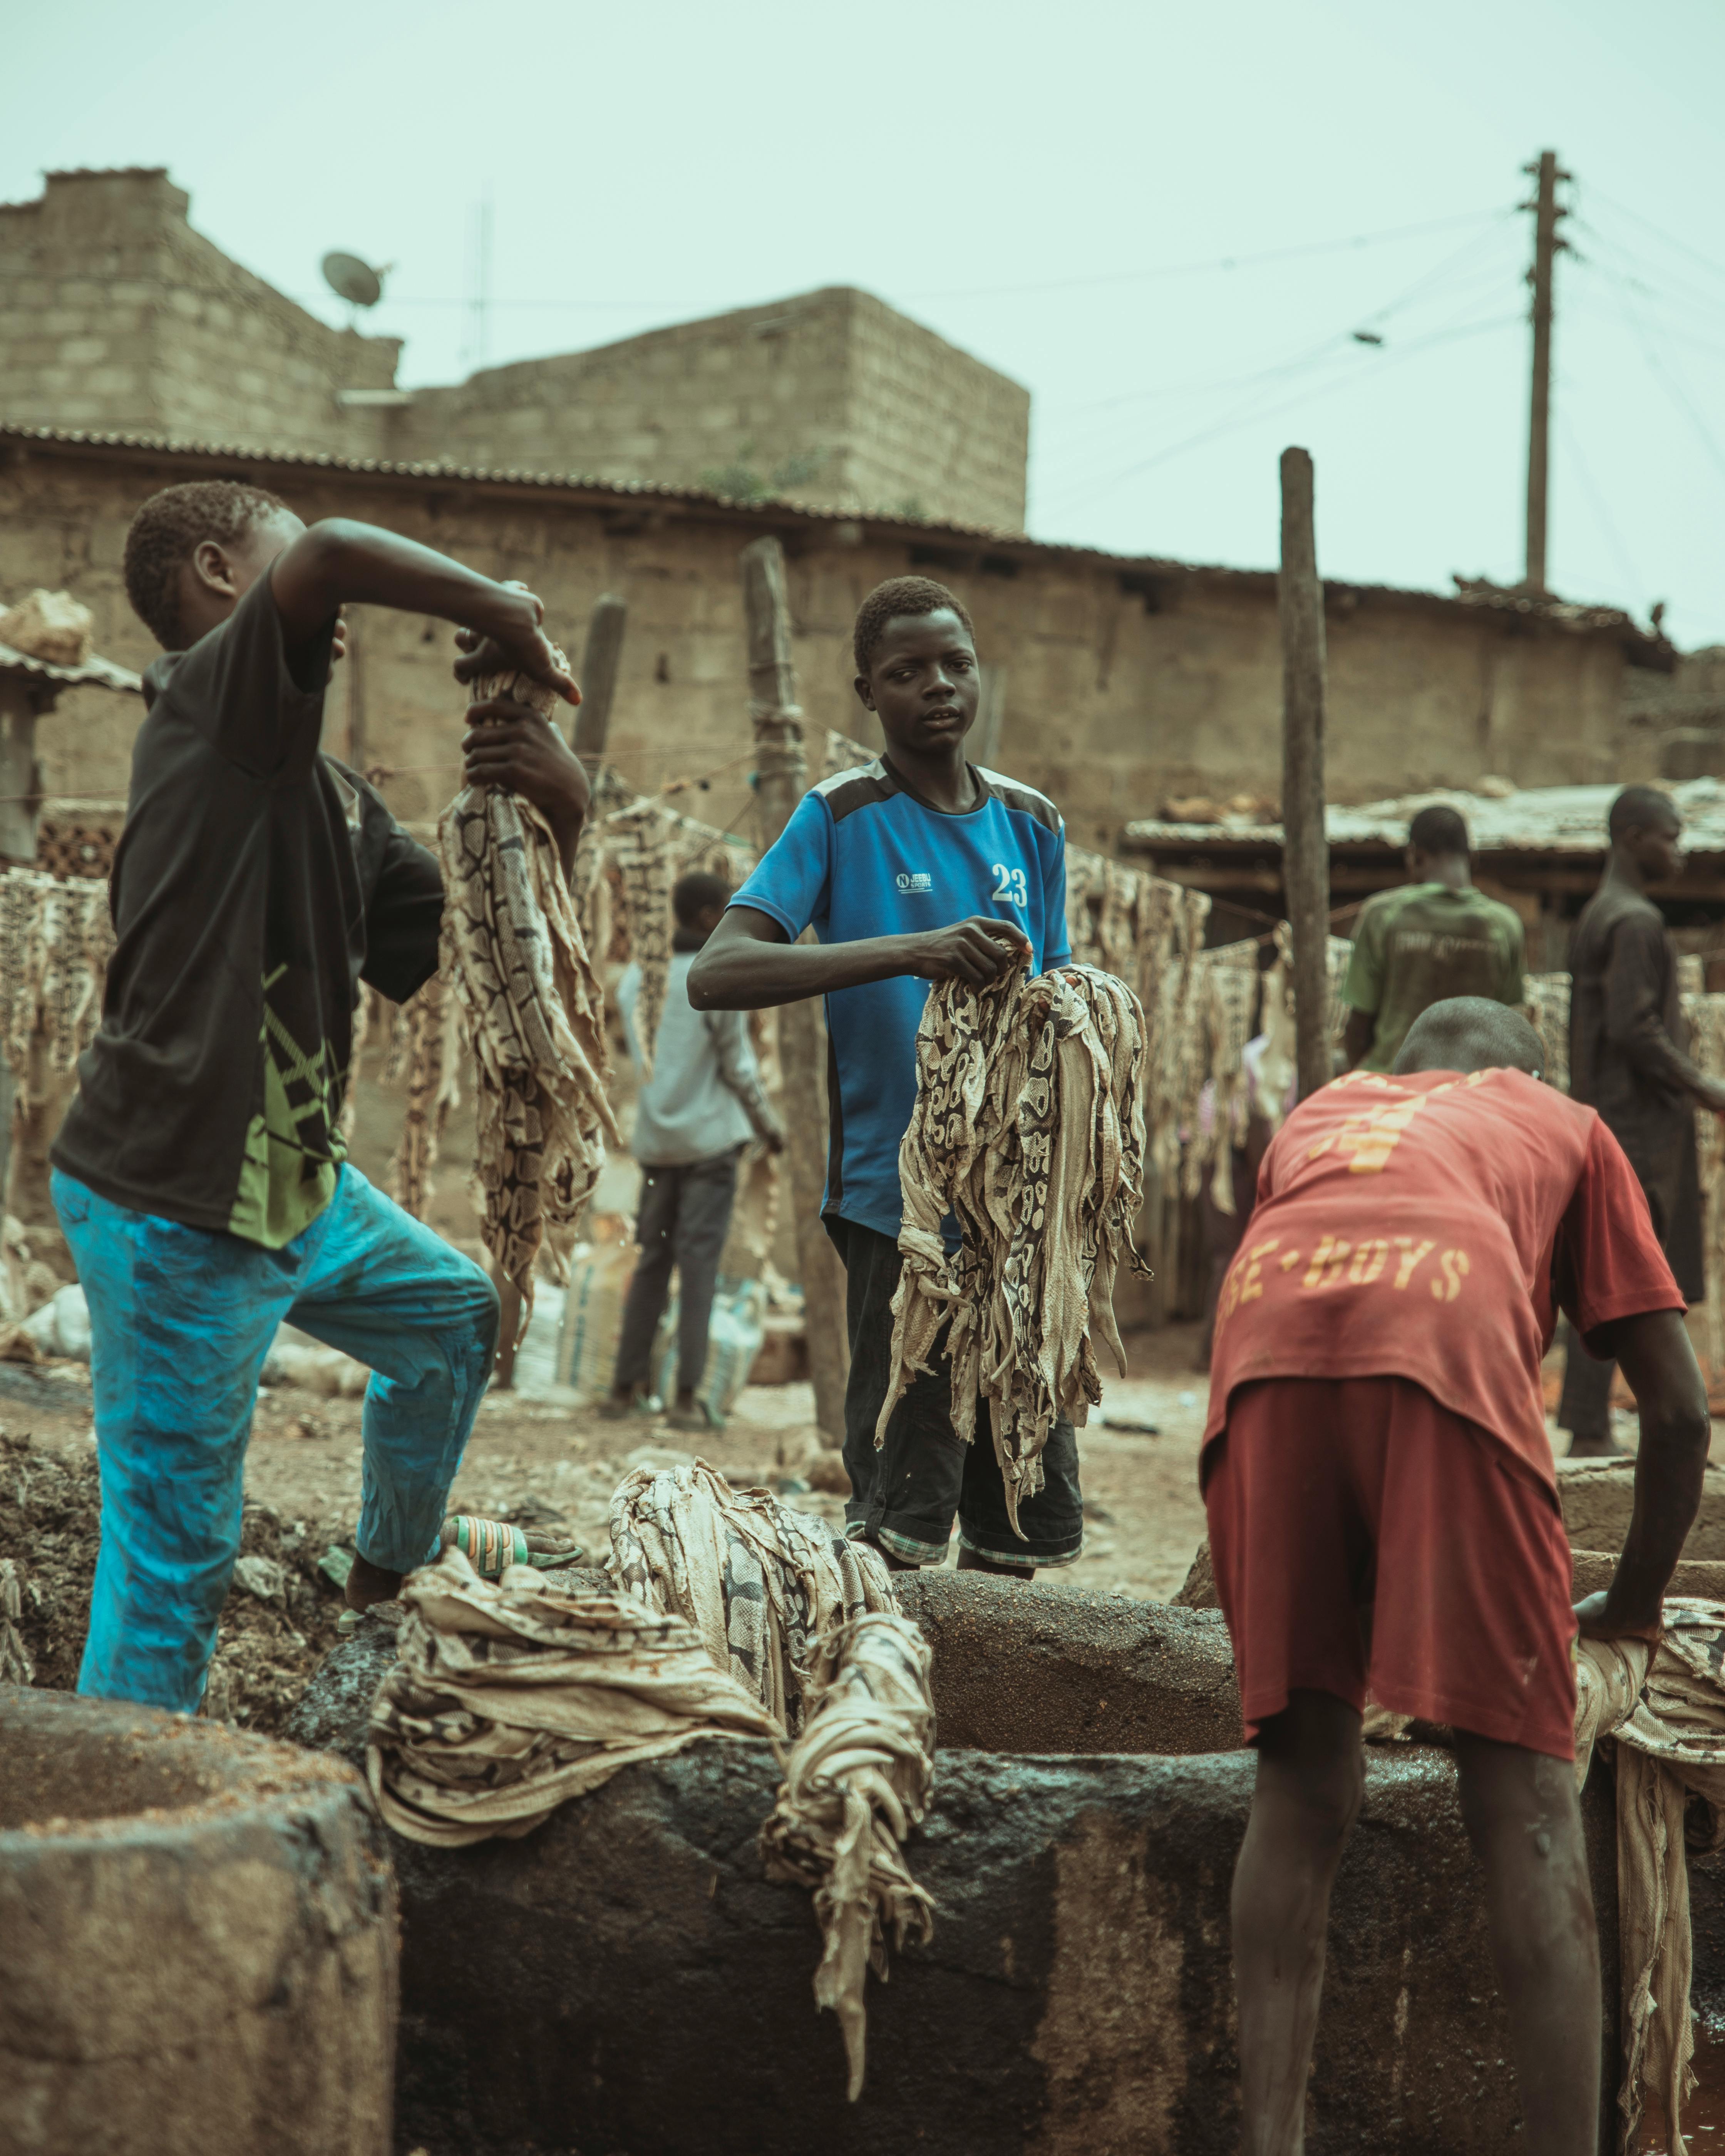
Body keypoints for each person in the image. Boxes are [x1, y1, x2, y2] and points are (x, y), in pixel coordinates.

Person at [50, 479, 593, 1713]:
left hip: (288, 1185)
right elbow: (340, 553)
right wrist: (504, 611)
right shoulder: (207, 709)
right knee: (177, 1554)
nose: (337, 610)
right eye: (286, 568)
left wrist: (561, 805)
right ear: (217, 576)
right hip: (176, 1202)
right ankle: (130, 1823)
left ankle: (381, 1585)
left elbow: (477, 942)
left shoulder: (334, 799)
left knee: (453, 1317)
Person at [1204, 995, 1709, 2156]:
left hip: (1255, 1360)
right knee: (1526, 1803)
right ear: (1520, 1066)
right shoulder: (1563, 1123)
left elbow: (1343, 1395)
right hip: (1440, 1338)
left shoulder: (1317, 1115)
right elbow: (1677, 1415)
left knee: (1298, 1781)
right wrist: (1627, 1610)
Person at [690, 575, 1078, 1577]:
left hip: (1018, 1212)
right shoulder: (841, 816)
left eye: (956, 665)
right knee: (902, 1523)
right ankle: (880, 1698)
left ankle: (999, 1717)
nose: (938, 687)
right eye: (907, 673)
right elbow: (720, 972)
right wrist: (910, 951)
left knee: (1013, 1526)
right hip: (898, 1205)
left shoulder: (1034, 825)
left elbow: (1061, 996)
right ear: (867, 694)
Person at [1560, 783, 1724, 1456]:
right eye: (1669, 837)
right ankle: (1647, 1425)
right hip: (1638, 1131)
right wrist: (1708, 1089)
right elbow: (1635, 1029)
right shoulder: (1633, 921)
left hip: (1614, 1120)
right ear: (1631, 836)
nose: (1678, 853)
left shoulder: (1603, 914)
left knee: (1607, 1275)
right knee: (1635, 1280)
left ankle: (1593, 1424)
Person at [604, 869, 784, 1431]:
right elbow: (739, 1069)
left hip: (657, 1145)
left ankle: (623, 1387)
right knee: (699, 1267)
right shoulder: (717, 979)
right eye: (727, 909)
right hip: (709, 1147)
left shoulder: (638, 980)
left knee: (653, 1262)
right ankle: (685, 1400)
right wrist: (769, 1126)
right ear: (710, 918)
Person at [1341, 803, 1526, 1073]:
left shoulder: (1382, 915)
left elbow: (1359, 1025)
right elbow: (1511, 1025)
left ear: (1414, 856)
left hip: (1394, 1087)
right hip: (1470, 1091)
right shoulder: (1505, 925)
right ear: (1472, 857)